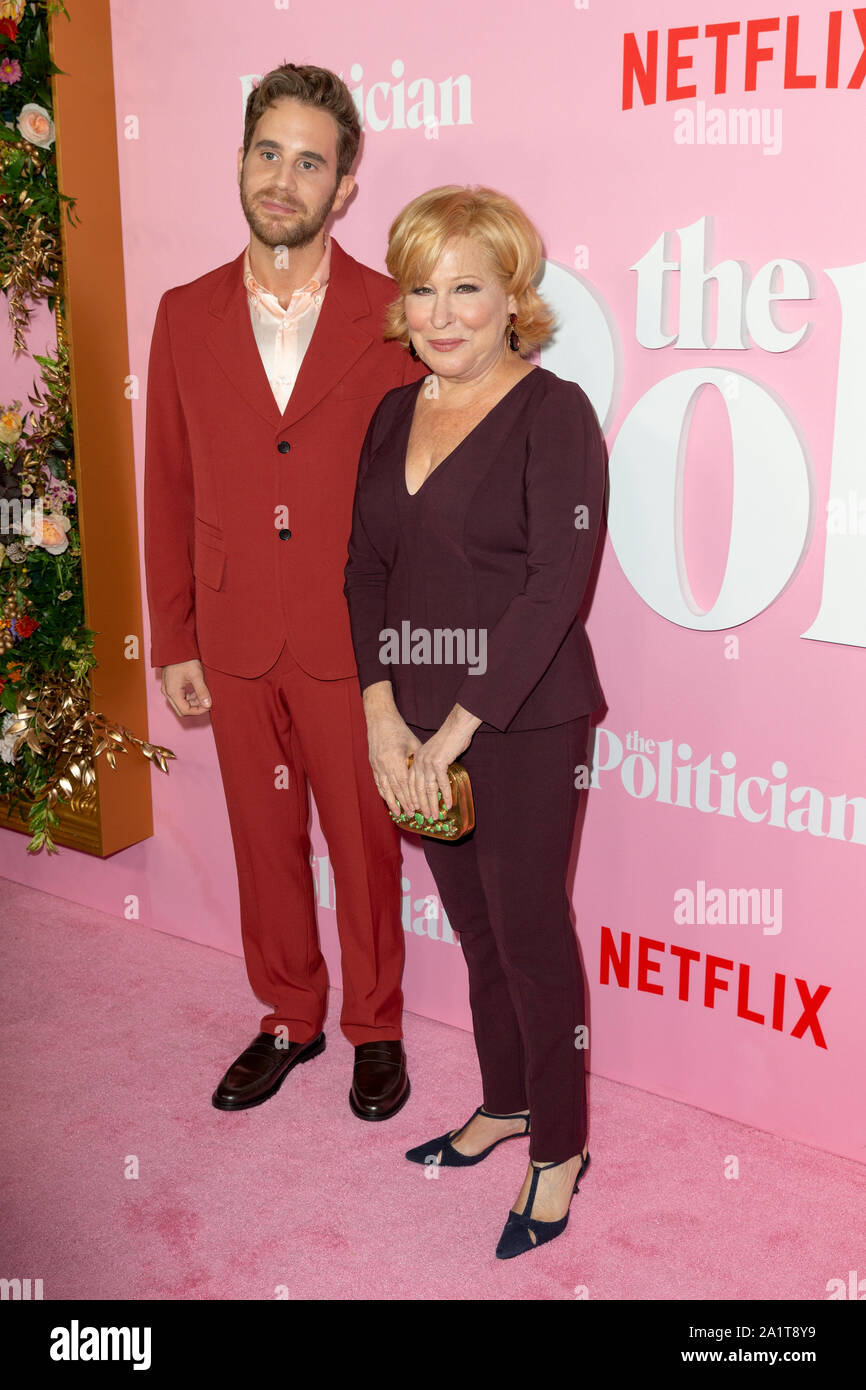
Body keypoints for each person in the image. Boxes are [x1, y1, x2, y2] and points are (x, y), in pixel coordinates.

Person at [144, 64, 426, 1121]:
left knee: (362, 841)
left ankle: (376, 1026)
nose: (283, 178)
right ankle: (288, 1016)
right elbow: (166, 482)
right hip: (230, 630)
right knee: (264, 843)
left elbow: (418, 500)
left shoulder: (392, 318)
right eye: (269, 152)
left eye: (311, 161)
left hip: (352, 639)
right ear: (239, 161)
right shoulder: (180, 314)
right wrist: (172, 633)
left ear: (344, 187)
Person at [343, 185, 607, 1257]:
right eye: (421, 289)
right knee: (477, 930)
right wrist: (378, 714)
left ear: (513, 301)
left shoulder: (555, 413)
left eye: (468, 288)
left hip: (525, 720)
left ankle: (563, 1144)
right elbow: (363, 570)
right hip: (410, 721)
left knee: (531, 931)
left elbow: (556, 587)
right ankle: (505, 1104)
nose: (441, 313)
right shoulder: (389, 412)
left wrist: (451, 729)